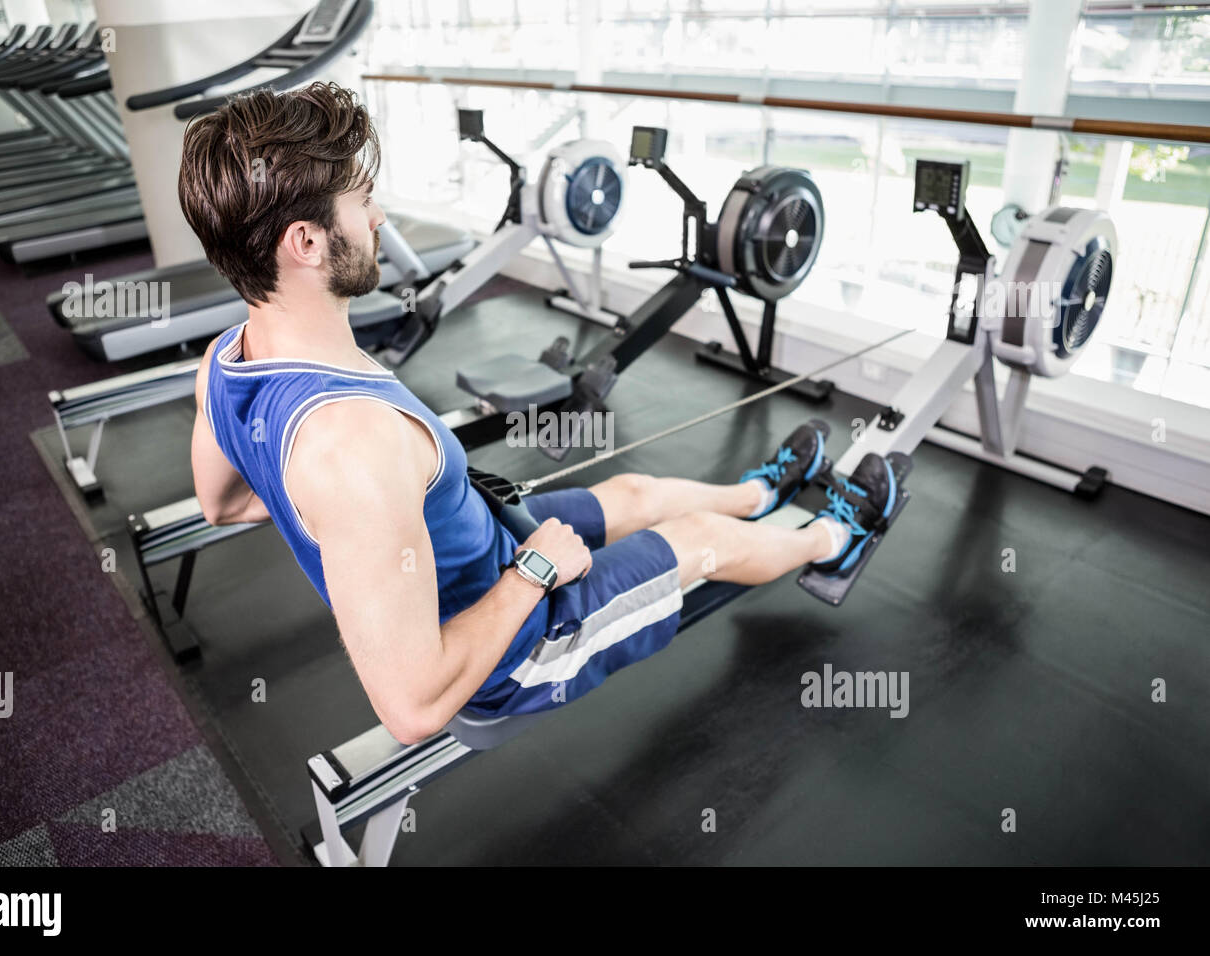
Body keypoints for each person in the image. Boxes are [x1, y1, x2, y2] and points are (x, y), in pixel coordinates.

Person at [179, 82, 900, 745]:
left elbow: (223, 502)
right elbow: (414, 707)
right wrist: (530, 571)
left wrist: (341, 523)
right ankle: (836, 537)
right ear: (305, 242)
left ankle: (761, 491)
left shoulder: (227, 359)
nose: (379, 217)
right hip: (515, 651)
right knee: (702, 540)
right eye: (361, 203)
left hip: (484, 546)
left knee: (636, 493)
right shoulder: (351, 446)